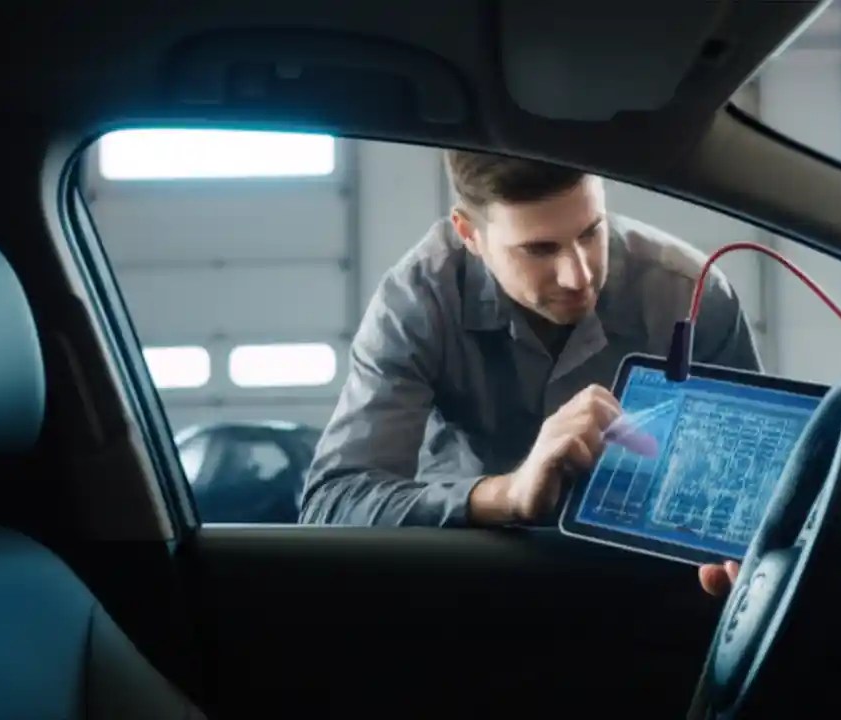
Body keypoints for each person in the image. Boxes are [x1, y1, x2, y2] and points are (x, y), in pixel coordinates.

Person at [300, 149, 763, 547]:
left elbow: (759, 490)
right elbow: (332, 504)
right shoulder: (419, 301)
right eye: (539, 249)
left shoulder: (689, 293)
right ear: (469, 235)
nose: (579, 276)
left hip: (641, 574)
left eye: (590, 232)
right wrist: (509, 495)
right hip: (469, 566)